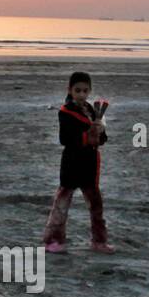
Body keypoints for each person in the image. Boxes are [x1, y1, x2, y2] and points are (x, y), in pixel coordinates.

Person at [42, 71, 114, 254]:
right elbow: (64, 138)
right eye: (78, 90)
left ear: (89, 91)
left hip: (90, 164)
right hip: (72, 164)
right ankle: (54, 240)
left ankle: (99, 241)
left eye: (85, 90)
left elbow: (102, 139)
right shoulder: (65, 112)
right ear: (70, 90)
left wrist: (100, 132)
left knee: (96, 206)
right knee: (62, 204)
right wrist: (88, 135)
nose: (82, 94)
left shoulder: (92, 110)